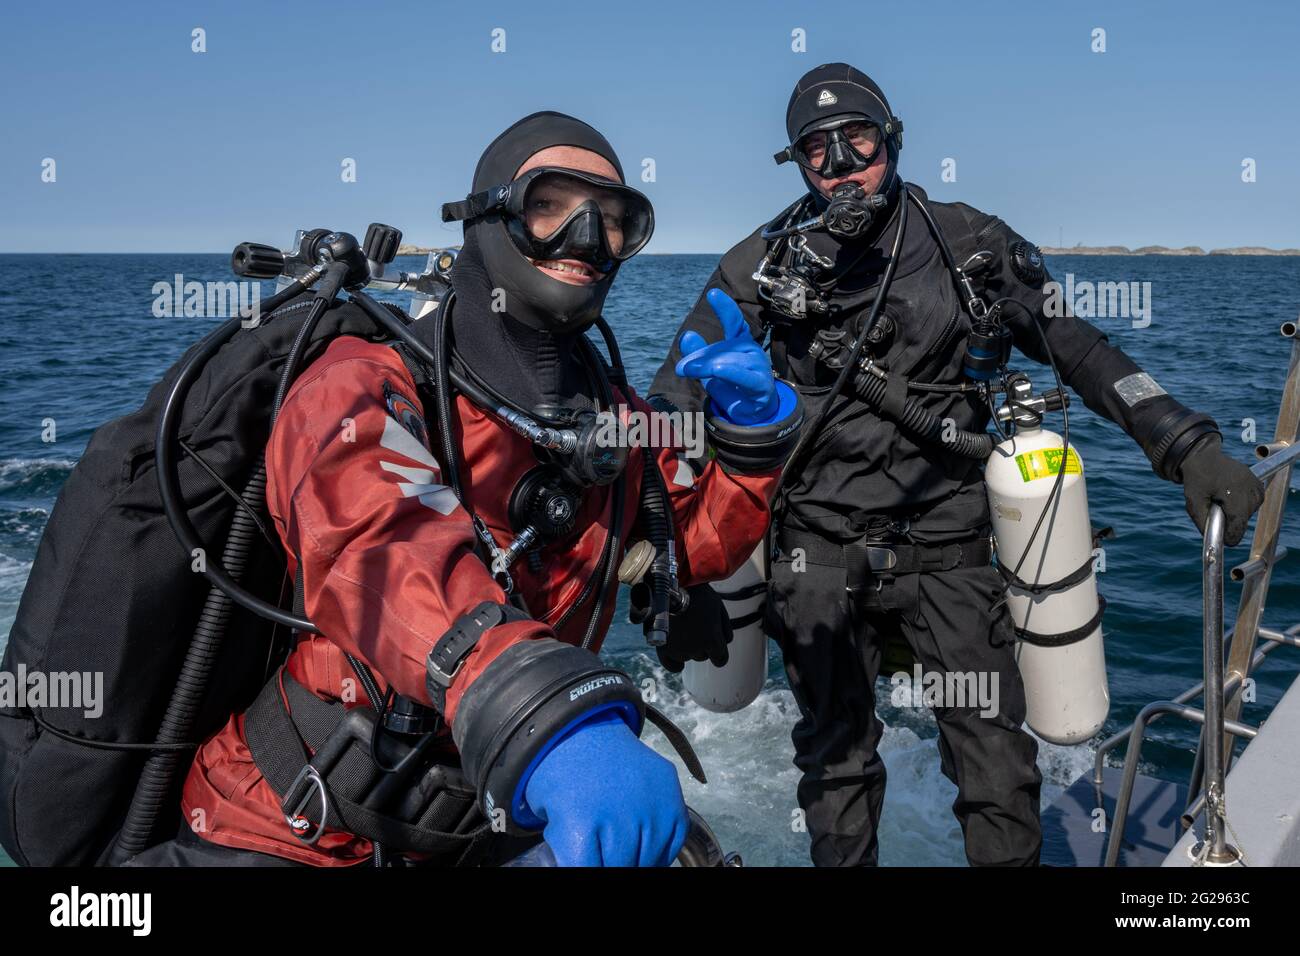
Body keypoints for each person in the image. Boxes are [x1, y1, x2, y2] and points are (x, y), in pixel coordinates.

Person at [135, 112, 803, 867]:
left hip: (494, 806)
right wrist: (543, 714)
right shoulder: (363, 386)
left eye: (616, 220)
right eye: (551, 206)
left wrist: (752, 441)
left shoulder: (612, 415)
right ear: (486, 216)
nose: (587, 240)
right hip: (298, 825)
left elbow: (693, 539)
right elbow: (377, 547)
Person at [649, 63, 1265, 867]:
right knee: (834, 774)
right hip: (816, 549)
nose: (842, 164)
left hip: (950, 544)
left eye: (858, 138)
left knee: (996, 770)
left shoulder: (972, 244)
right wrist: (654, 543)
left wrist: (1186, 443)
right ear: (797, 162)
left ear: (893, 139)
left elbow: (1081, 350)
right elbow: (679, 385)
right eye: (817, 149)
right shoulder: (761, 265)